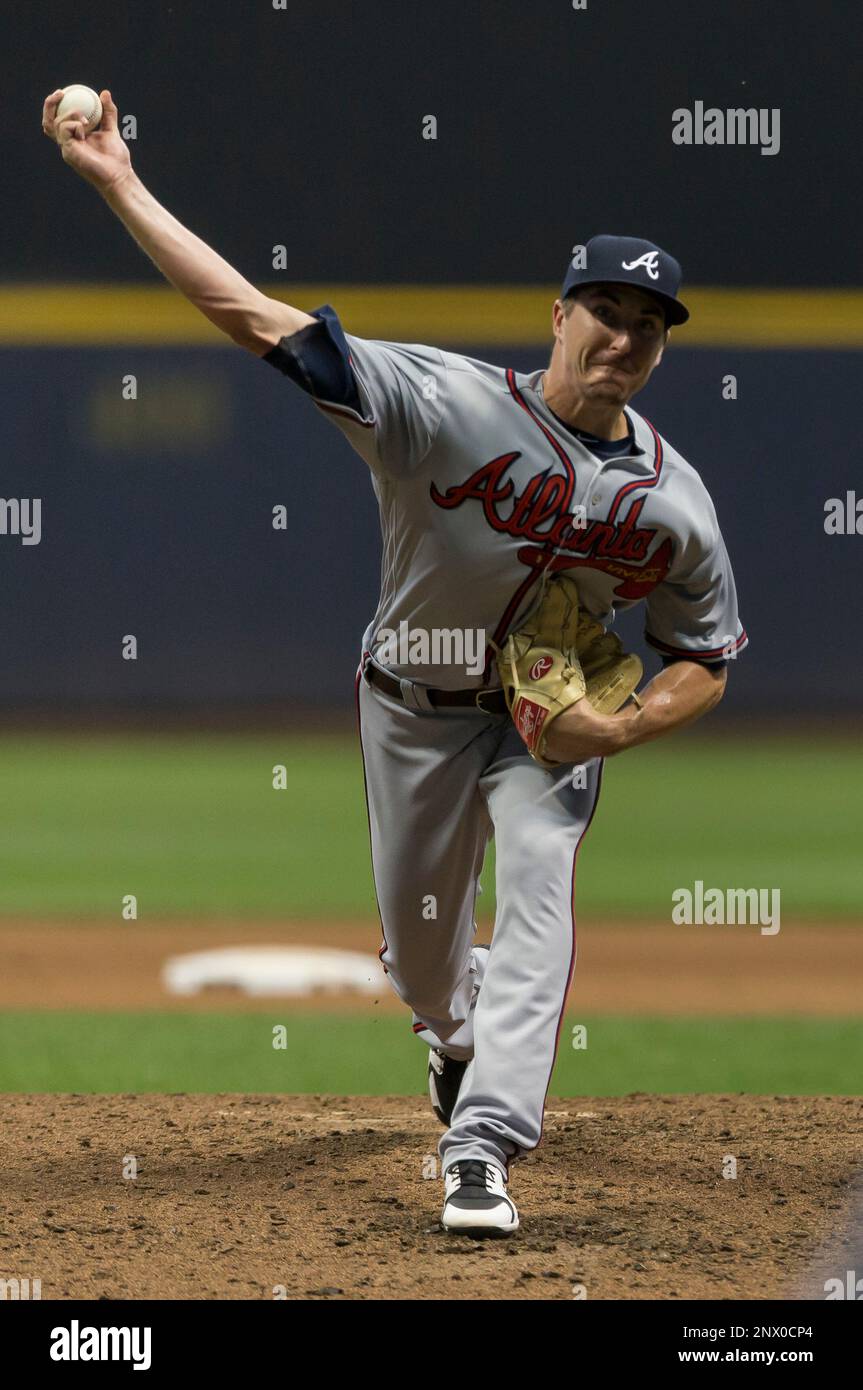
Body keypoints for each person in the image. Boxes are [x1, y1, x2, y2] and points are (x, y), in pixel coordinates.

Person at [43, 88, 746, 1237]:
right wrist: (120, 182)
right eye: (604, 310)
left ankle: (480, 1145)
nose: (623, 337)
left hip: (543, 731)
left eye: (649, 323)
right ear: (557, 313)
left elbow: (704, 655)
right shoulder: (442, 404)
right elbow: (252, 318)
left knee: (536, 886)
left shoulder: (676, 503)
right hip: (408, 708)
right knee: (423, 963)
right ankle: (451, 1038)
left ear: (664, 345)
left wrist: (614, 729)